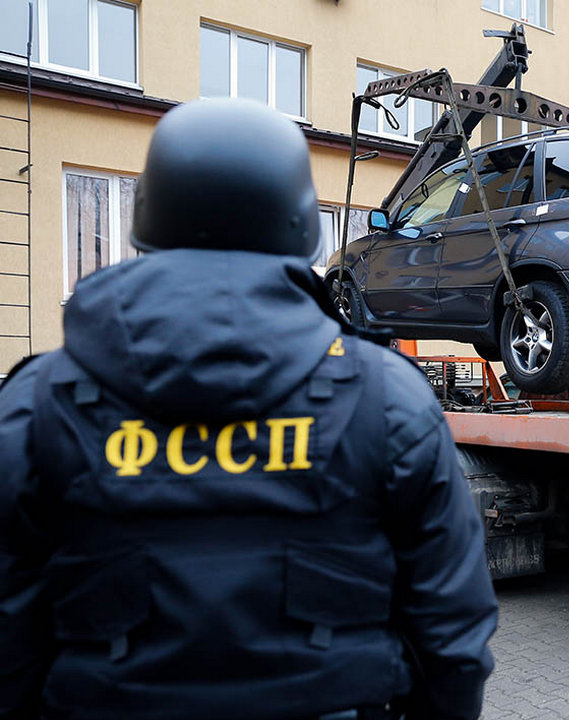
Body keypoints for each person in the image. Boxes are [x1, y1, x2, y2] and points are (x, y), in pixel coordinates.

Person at [0, 99, 497, 720]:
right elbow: (453, 641)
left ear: (145, 217)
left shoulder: (39, 402)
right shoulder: (389, 402)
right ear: (303, 225)